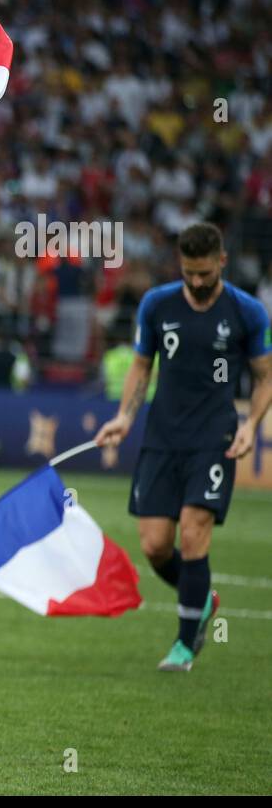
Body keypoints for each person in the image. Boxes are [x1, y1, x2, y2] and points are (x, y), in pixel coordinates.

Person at [95, 222, 272, 671]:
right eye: (189, 273)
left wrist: (252, 424)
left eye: (205, 274)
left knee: (193, 534)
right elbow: (140, 365)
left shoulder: (247, 313)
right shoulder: (157, 305)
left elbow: (265, 375)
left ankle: (184, 645)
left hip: (214, 439)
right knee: (155, 545)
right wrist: (124, 416)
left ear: (222, 262)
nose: (196, 282)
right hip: (162, 436)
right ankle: (201, 599)